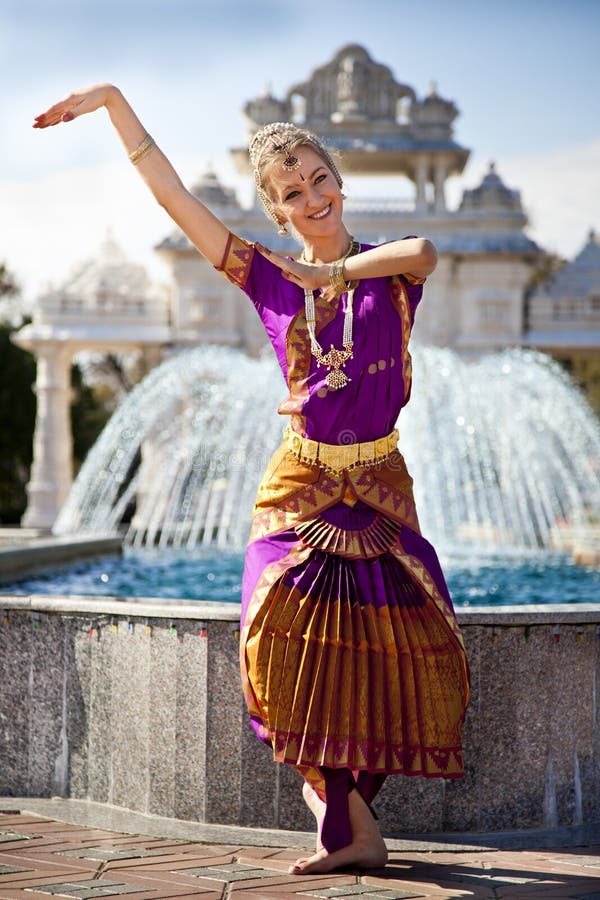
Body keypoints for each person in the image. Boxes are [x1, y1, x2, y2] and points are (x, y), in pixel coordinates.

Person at [34, 85, 470, 876]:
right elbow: (172, 193)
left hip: (381, 485)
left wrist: (332, 279)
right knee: (269, 648)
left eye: (319, 180)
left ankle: (354, 824)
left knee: (408, 640)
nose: (313, 199)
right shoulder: (264, 276)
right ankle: (350, 826)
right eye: (292, 193)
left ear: (338, 178)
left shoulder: (394, 270)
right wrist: (113, 103)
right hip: (299, 484)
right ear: (277, 211)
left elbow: (425, 251)